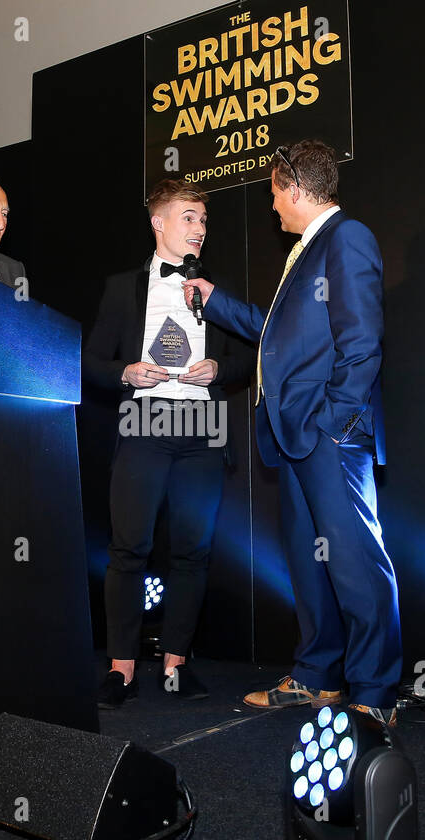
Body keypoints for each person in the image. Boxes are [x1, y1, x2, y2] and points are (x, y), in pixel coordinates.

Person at [181, 140, 402, 726]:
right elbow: (278, 334)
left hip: (327, 435)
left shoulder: (345, 239)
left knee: (356, 563)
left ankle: (376, 693)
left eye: (275, 193)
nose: (272, 206)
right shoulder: (306, 250)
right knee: (311, 564)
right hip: (293, 436)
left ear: (297, 189)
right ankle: (316, 677)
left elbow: (362, 342)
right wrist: (216, 302)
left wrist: (335, 422)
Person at [83, 179, 250, 709]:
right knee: (128, 548)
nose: (199, 229)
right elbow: (90, 362)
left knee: (192, 552)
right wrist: (126, 371)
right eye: (188, 218)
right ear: (159, 223)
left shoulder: (216, 288)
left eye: (203, 220)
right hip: (143, 426)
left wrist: (221, 367)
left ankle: (177, 663)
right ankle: (121, 667)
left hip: (203, 432)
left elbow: (253, 354)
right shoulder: (120, 288)